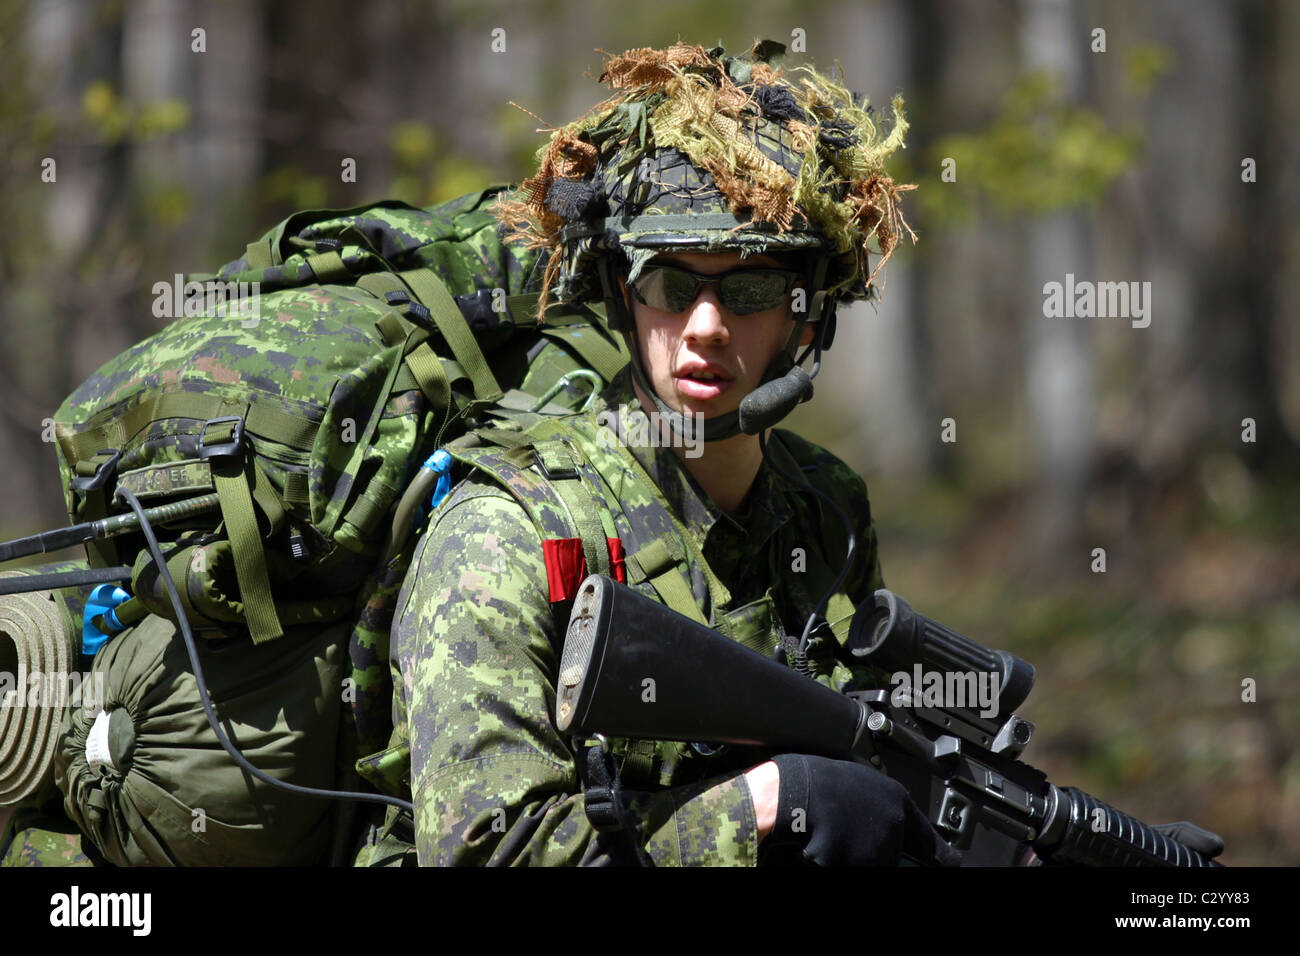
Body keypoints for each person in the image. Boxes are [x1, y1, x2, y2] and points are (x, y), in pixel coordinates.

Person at [359, 40, 962, 867]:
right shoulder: (508, 529)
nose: (705, 327)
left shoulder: (826, 508)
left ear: (807, 315)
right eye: (672, 287)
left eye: (750, 288)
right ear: (624, 298)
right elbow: (483, 853)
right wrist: (766, 806)